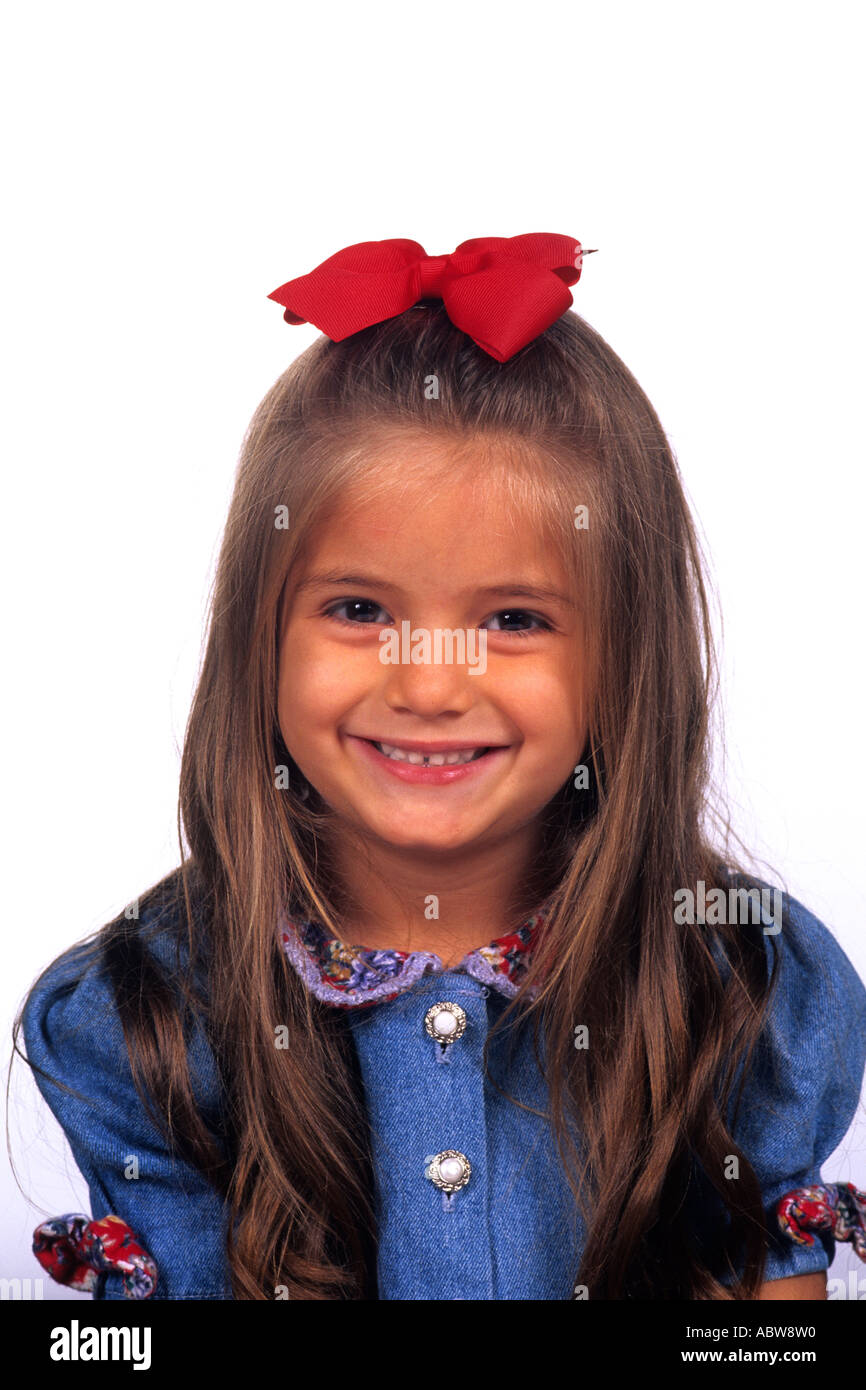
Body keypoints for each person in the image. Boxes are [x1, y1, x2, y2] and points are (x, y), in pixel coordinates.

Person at [15, 235, 866, 1300]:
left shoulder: (738, 986)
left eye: (512, 619)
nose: (426, 685)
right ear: (258, 634)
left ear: (625, 657)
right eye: (359, 609)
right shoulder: (147, 1015)